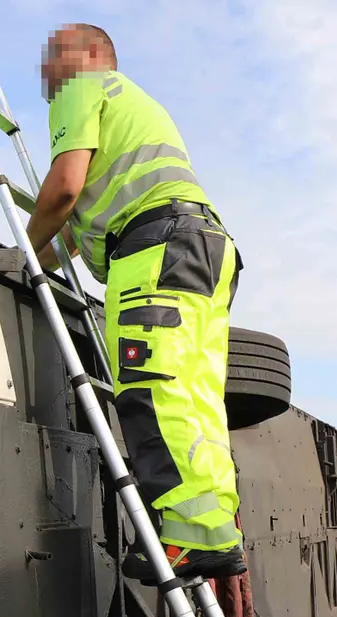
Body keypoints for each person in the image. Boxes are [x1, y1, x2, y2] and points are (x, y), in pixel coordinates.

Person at [26, 23, 246, 584]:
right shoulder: (136, 112)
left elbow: (64, 189)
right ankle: (210, 534)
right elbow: (77, 231)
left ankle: (182, 541)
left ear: (94, 56)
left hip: (152, 249)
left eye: (57, 57)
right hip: (205, 247)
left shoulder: (84, 88)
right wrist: (38, 264)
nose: (47, 71)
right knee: (194, 396)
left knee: (149, 390)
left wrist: (19, 249)